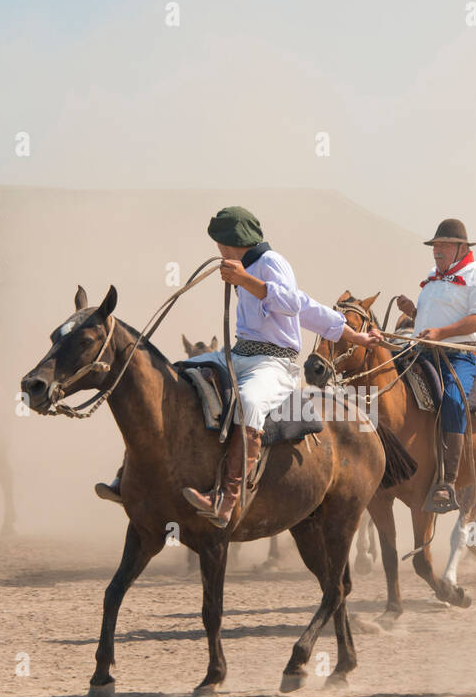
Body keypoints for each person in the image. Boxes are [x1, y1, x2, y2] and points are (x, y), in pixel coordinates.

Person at [97, 206, 383, 528]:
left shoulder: (272, 263)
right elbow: (309, 309)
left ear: (235, 240)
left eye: (221, 242)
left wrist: (356, 337)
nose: (218, 249)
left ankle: (226, 499)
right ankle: (130, 479)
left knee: (248, 404)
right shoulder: (245, 266)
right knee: (174, 374)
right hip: (238, 355)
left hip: (275, 363)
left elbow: (293, 304)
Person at [394, 218, 476, 512]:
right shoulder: (433, 276)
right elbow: (432, 317)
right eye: (435, 246)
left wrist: (441, 334)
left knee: (453, 399)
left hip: (459, 354)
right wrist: (413, 311)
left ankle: (447, 481)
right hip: (422, 351)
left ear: (462, 247)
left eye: (444, 246)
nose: (437, 251)